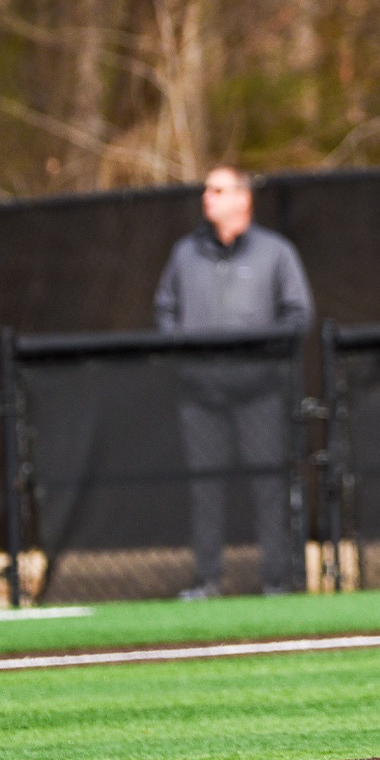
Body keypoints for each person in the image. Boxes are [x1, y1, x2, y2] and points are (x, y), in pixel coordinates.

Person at [155, 165, 314, 599]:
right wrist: (185, 353)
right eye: (207, 190)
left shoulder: (275, 252)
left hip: (260, 394)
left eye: (219, 189)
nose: (208, 197)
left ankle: (277, 580)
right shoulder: (185, 253)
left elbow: (299, 315)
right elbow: (164, 311)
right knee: (204, 490)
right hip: (200, 394)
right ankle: (207, 579)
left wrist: (261, 359)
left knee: (269, 487)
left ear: (243, 199)